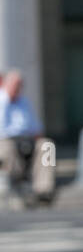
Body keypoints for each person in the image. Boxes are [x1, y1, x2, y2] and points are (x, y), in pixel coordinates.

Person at [0, 70, 56, 203]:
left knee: (47, 145)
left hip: (27, 139)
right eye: (15, 85)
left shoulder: (24, 102)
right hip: (6, 140)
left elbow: (36, 127)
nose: (17, 88)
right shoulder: (2, 101)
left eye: (20, 85)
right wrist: (6, 99)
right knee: (7, 147)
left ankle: (44, 189)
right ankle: (15, 181)